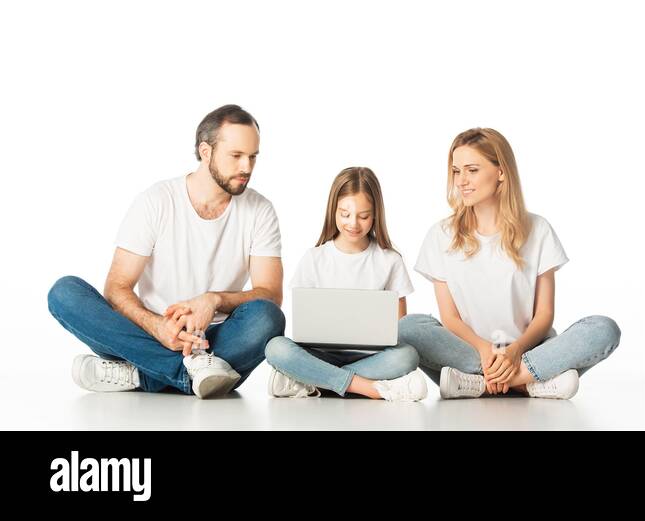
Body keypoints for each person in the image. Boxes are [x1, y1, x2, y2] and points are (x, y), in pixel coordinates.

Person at [48, 104, 284, 398]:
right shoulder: (156, 201)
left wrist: (214, 300)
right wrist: (158, 326)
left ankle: (140, 374)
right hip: (146, 333)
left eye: (253, 157)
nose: (246, 167)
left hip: (213, 342)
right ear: (206, 152)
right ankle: (189, 373)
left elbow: (271, 293)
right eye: (236, 156)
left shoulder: (260, 210)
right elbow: (117, 287)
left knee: (268, 317)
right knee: (64, 293)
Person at [398, 128, 621, 400]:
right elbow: (450, 318)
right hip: (470, 350)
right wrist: (483, 350)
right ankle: (531, 383)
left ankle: (483, 383)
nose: (461, 181)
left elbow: (544, 315)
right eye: (456, 171)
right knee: (406, 328)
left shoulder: (538, 230)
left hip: (530, 349)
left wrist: (515, 353)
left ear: (501, 171)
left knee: (603, 329)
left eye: (472, 170)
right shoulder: (440, 235)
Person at [264, 167, 427, 402]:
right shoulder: (314, 258)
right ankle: (364, 387)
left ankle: (313, 381)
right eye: (345, 214)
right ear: (333, 211)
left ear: (375, 215)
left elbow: (399, 326)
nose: (353, 223)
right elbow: (302, 319)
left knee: (408, 356)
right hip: (320, 355)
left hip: (372, 358)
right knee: (276, 347)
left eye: (363, 216)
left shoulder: (389, 260)